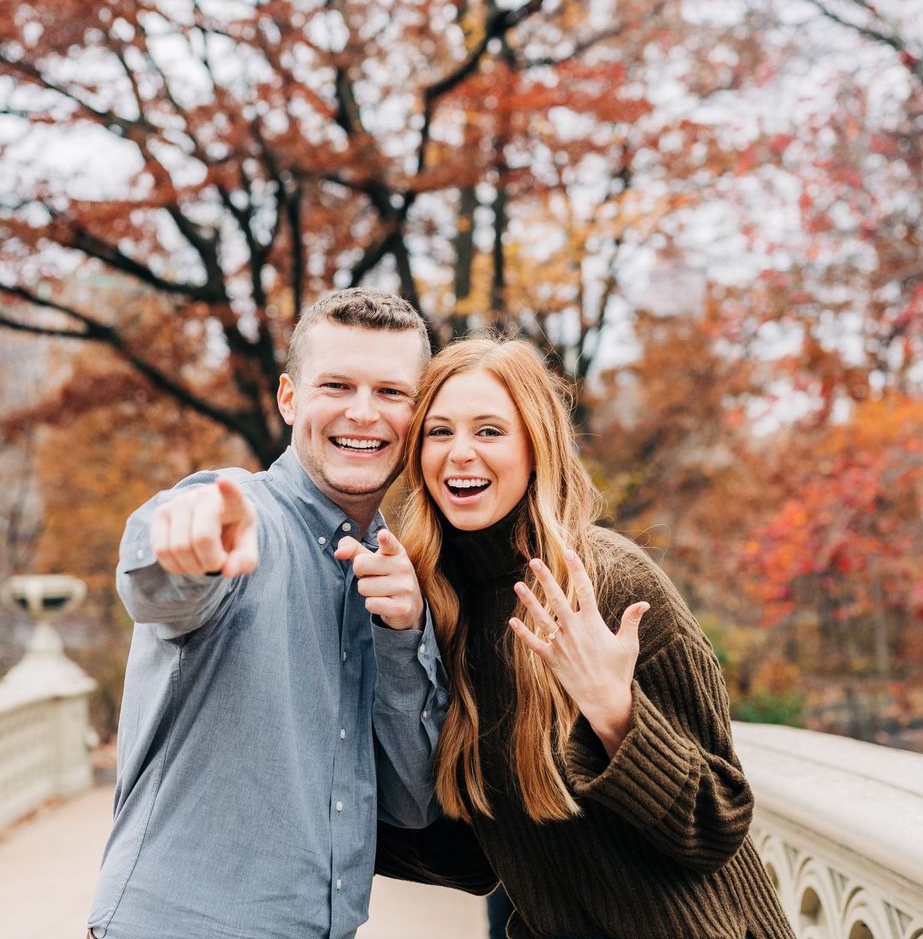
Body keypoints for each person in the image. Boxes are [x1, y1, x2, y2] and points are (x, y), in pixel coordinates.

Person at [375, 338, 796, 939]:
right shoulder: (437, 608)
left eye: (489, 431)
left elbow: (717, 821)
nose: (460, 454)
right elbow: (471, 858)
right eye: (439, 433)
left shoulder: (610, 583)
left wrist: (615, 715)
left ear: (535, 445)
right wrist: (312, 817)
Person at [87, 289, 448, 939]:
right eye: (336, 384)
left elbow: (412, 804)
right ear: (289, 398)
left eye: (392, 393)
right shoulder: (238, 513)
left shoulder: (397, 573)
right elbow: (156, 579)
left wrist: (404, 635)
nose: (363, 413)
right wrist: (190, 545)